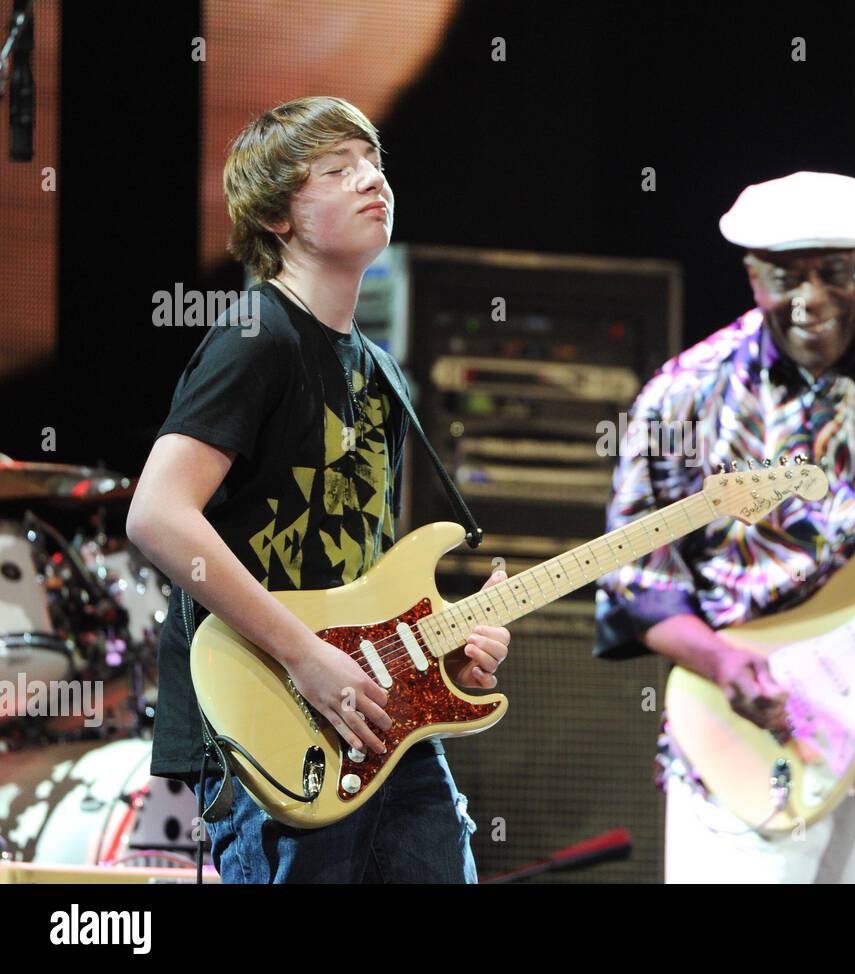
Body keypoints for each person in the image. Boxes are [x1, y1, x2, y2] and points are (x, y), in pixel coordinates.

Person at [126, 96, 511, 884]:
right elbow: (158, 515)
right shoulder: (255, 338)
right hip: (270, 711)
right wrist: (306, 657)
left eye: (373, 163)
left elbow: (366, 579)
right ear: (278, 219)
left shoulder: (384, 375)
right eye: (338, 171)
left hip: (379, 718)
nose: (372, 180)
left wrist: (447, 657)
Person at [595, 172, 855, 883]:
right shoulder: (685, 394)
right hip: (743, 743)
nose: (810, 300)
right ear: (751, 276)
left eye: (835, 274)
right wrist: (724, 662)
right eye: (784, 277)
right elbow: (635, 584)